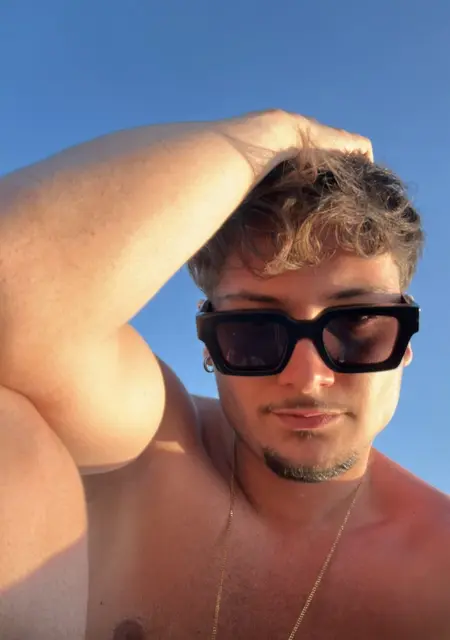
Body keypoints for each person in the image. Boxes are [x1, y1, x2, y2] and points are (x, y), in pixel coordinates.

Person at [0, 109, 448, 640]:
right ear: (210, 347)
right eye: (253, 332)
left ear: (405, 344)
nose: (308, 378)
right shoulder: (149, 448)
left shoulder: (438, 570)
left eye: (357, 327)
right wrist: (277, 134)